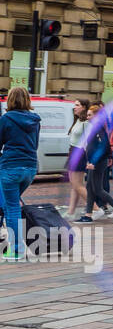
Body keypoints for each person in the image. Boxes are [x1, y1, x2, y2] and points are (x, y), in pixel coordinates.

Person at [0, 86, 40, 260]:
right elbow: (35, 144)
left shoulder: (6, 118)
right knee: (12, 204)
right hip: (30, 167)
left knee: (12, 208)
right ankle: (16, 246)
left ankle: (17, 250)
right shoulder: (35, 120)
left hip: (11, 166)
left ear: (10, 100)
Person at [78, 103, 113, 223]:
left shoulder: (97, 127)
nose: (87, 117)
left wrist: (93, 161)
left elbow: (102, 146)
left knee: (98, 189)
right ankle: (88, 214)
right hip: (95, 162)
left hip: (97, 163)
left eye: (89, 115)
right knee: (89, 187)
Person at [66, 99, 91, 217]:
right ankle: (71, 211)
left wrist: (88, 158)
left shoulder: (86, 122)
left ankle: (94, 208)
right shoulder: (78, 120)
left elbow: (88, 141)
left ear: (84, 107)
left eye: (77, 105)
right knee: (74, 184)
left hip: (79, 153)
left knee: (77, 184)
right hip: (73, 151)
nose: (74, 107)